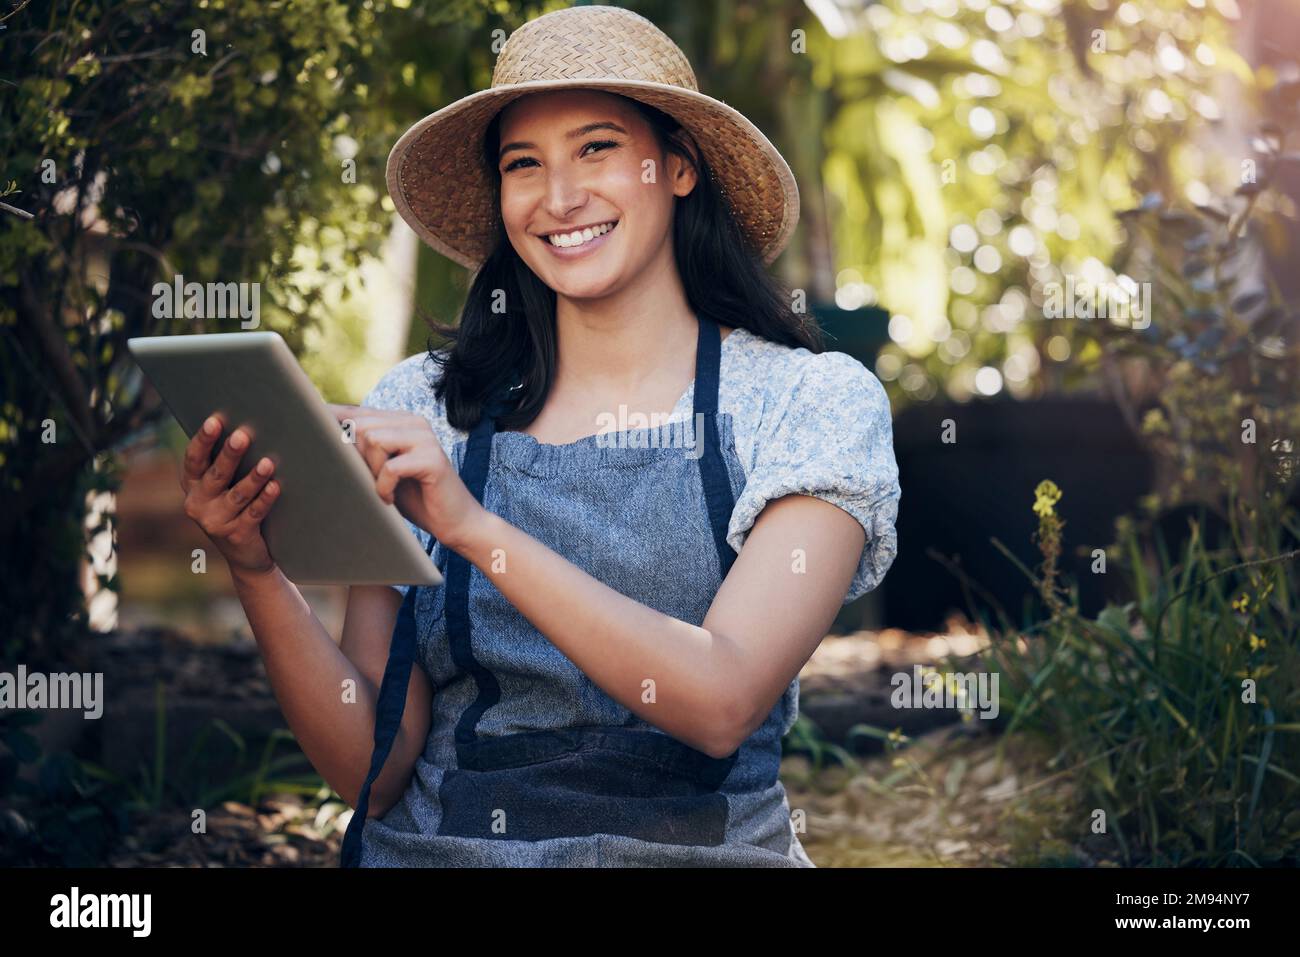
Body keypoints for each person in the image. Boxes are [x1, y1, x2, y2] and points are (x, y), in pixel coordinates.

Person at [178, 4, 900, 867]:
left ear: (677, 166)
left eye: (596, 148)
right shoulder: (422, 407)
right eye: (524, 164)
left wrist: (474, 530)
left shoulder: (805, 403)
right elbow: (373, 770)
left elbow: (723, 698)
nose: (559, 198)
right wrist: (256, 567)